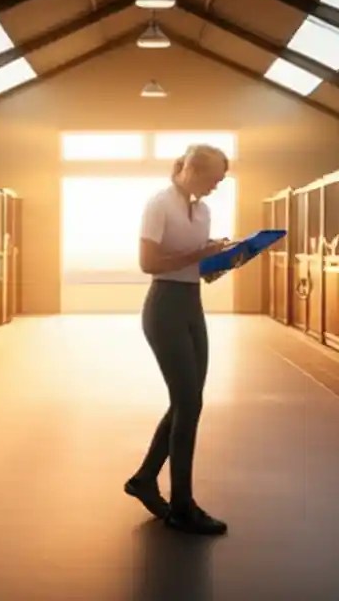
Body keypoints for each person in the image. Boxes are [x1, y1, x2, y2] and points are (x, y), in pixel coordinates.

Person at [124, 143, 231, 535]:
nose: (218, 186)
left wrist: (219, 260)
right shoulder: (159, 204)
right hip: (164, 307)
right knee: (188, 403)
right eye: (215, 179)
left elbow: (197, 267)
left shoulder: (203, 210)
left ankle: (144, 480)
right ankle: (182, 507)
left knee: (188, 402)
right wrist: (198, 254)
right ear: (194, 171)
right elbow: (149, 264)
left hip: (191, 303)